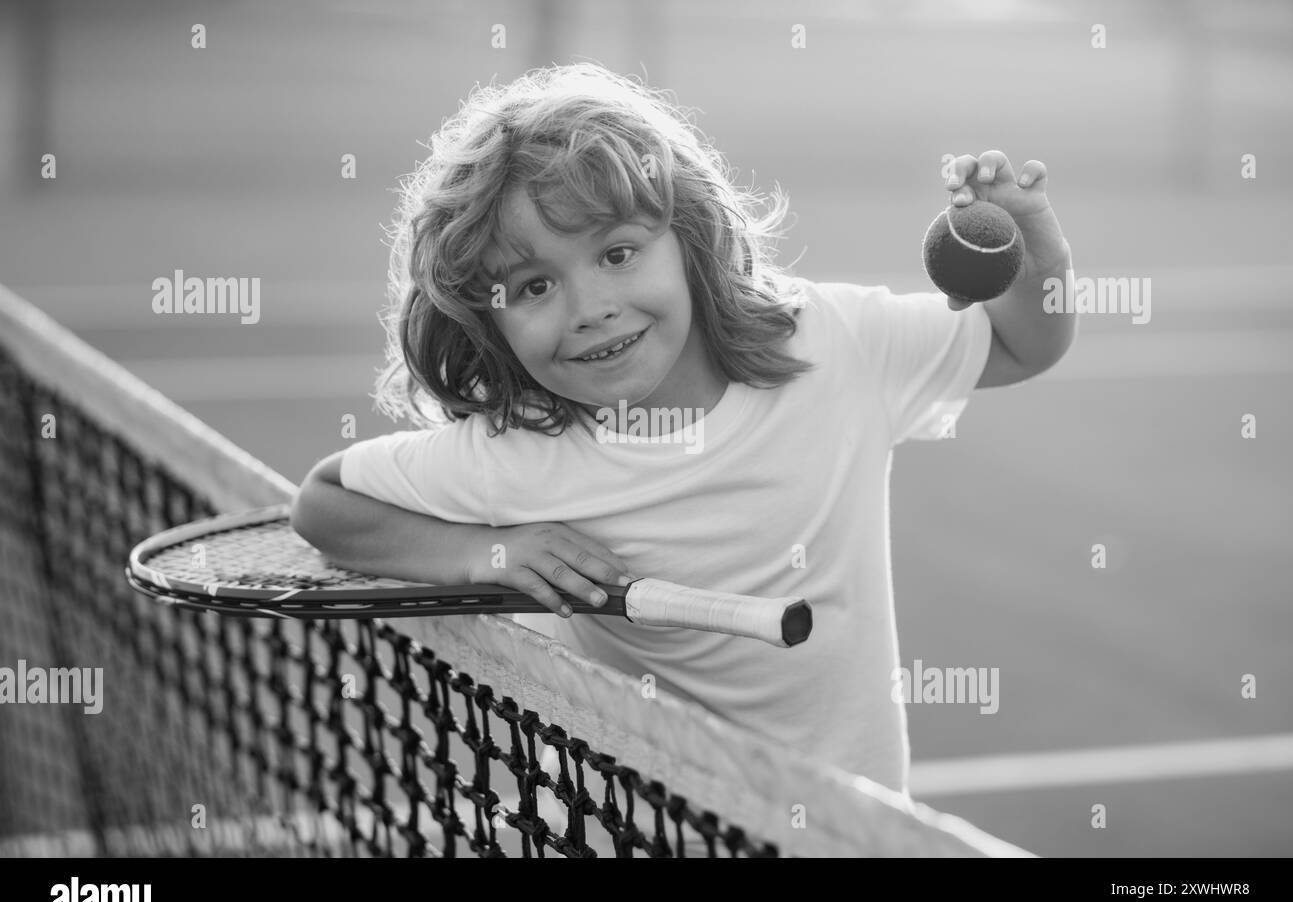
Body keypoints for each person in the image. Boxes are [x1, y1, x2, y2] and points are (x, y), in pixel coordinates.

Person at [290, 62, 1075, 794]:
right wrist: (485, 552)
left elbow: (1020, 342)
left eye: (619, 252)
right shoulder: (518, 454)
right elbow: (324, 504)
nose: (590, 306)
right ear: (491, 323)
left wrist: (1034, 237)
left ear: (689, 237)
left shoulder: (835, 343)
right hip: (650, 819)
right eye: (533, 286)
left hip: (852, 822)